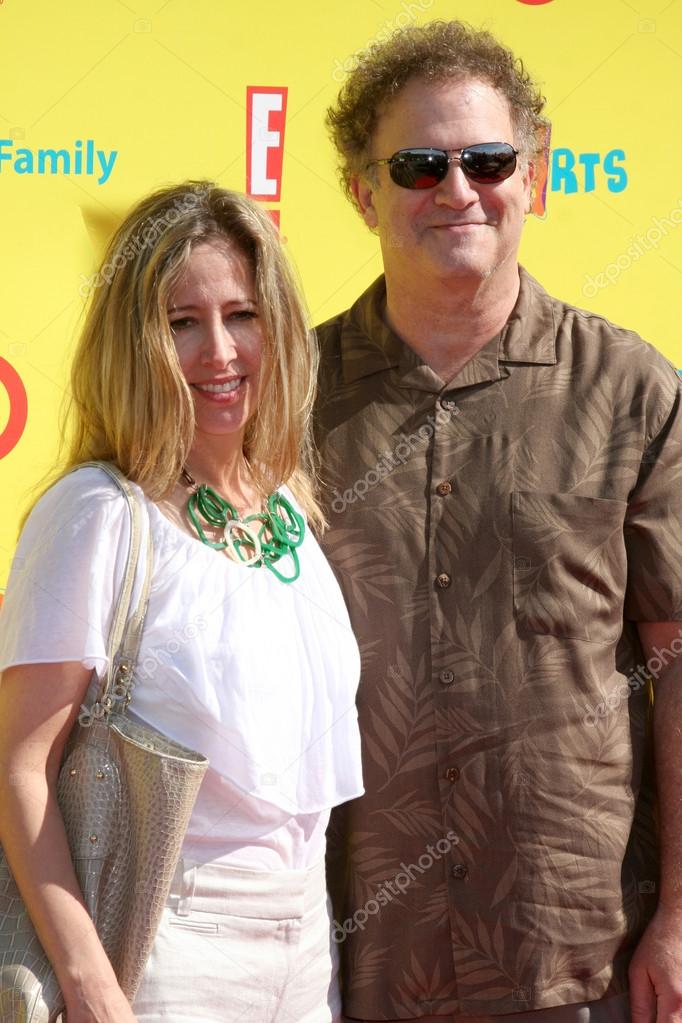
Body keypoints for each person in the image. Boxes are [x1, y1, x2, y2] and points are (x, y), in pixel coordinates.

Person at [314, 19, 682, 1023]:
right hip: (350, 961)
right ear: (362, 190)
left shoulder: (631, 392)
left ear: (537, 177)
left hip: (577, 960)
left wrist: (680, 920)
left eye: (486, 160)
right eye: (418, 166)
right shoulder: (284, 404)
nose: (457, 191)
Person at [0, 181, 363, 1023]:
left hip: (307, 943)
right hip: (165, 948)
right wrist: (91, 982)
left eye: (242, 314)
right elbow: (21, 768)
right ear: (137, 342)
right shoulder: (97, 513)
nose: (220, 352)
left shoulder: (287, 511)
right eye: (182, 322)